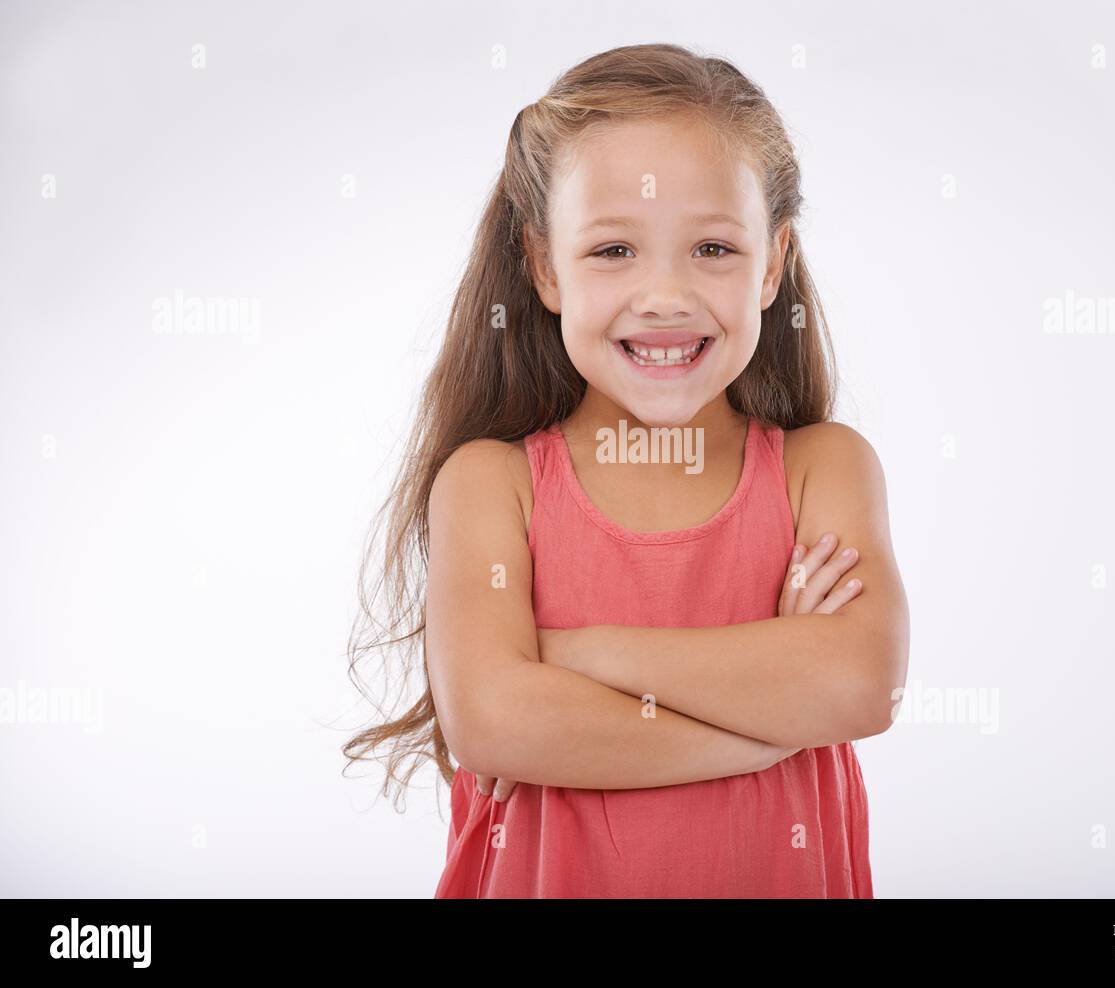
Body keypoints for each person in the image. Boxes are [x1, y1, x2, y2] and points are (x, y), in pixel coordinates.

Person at [344, 42, 909, 898]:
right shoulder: (490, 484)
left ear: (773, 263)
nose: (665, 295)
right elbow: (495, 722)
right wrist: (776, 722)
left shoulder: (821, 468)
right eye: (614, 251)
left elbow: (863, 685)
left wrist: (571, 657)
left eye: (714, 248)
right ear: (543, 266)